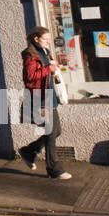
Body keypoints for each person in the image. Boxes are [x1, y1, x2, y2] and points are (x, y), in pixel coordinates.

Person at [19, 26, 71, 179]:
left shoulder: (45, 52)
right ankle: (54, 168)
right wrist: (49, 68)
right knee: (51, 132)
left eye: (49, 39)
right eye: (45, 39)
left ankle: (29, 151)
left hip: (49, 96)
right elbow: (30, 77)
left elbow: (47, 70)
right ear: (36, 39)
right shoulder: (31, 55)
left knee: (56, 131)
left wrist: (54, 67)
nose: (48, 42)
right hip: (39, 98)